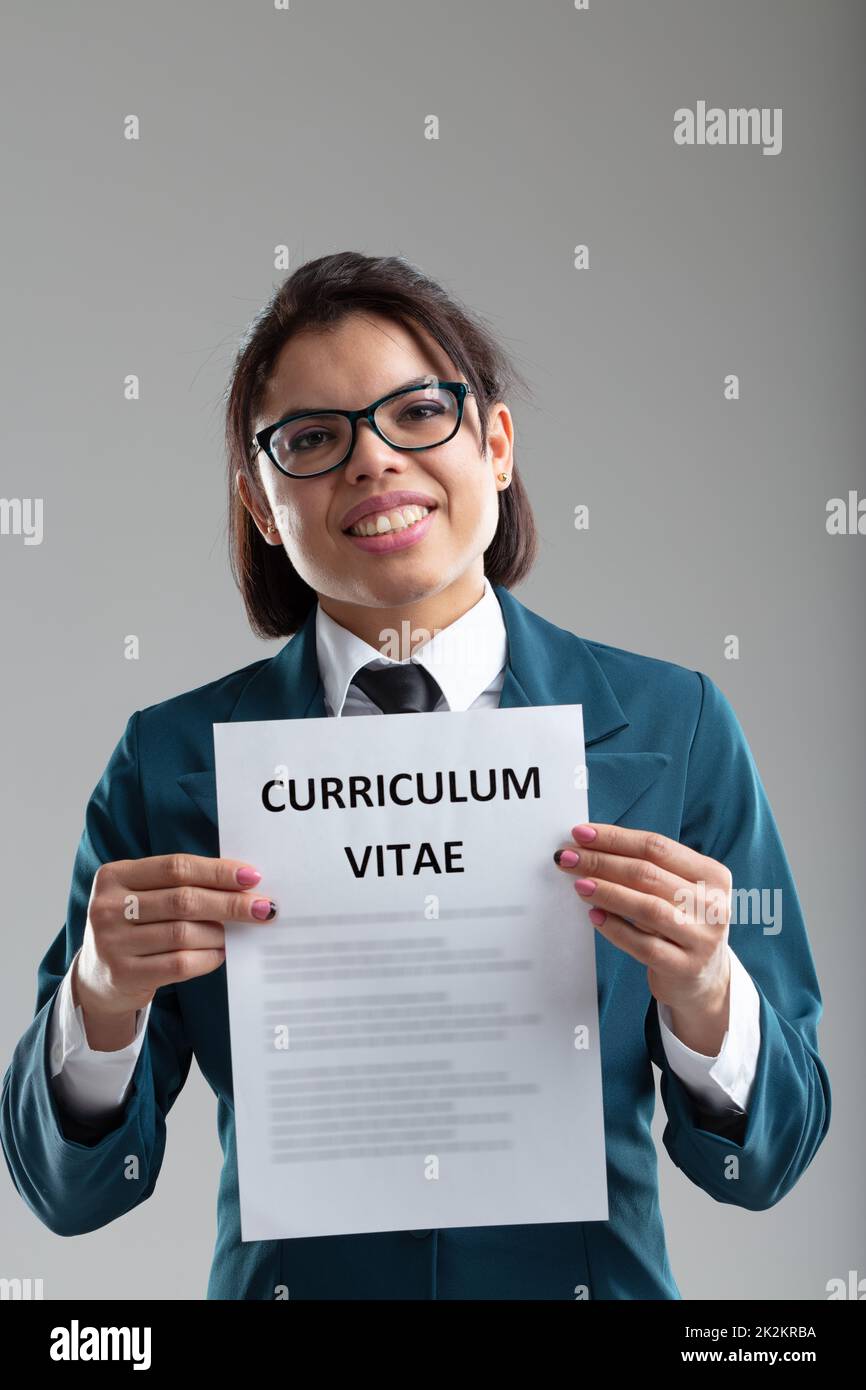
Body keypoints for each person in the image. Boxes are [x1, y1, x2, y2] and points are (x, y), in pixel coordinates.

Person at [0, 251, 831, 1300]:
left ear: (493, 446)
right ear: (261, 506)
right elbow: (70, 1191)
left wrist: (708, 994)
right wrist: (100, 997)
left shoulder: (675, 727)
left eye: (416, 413)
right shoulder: (168, 761)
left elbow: (769, 1160)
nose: (372, 460)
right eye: (311, 438)